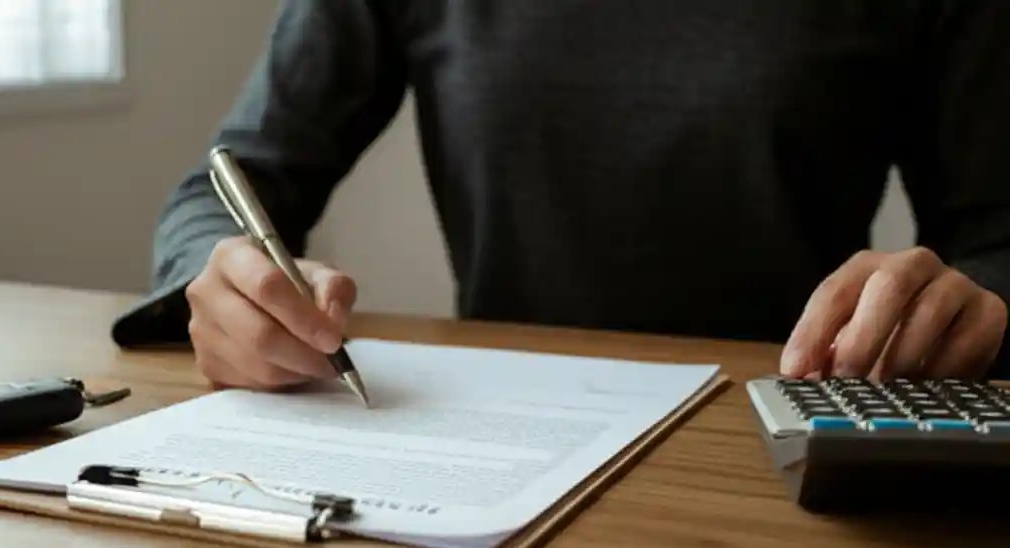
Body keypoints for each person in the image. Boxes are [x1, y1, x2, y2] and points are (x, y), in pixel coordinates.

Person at [112, 1, 1010, 390]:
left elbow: (995, 238)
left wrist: (977, 305)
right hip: (502, 453)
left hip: (783, 450)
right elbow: (224, 188)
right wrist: (221, 281)